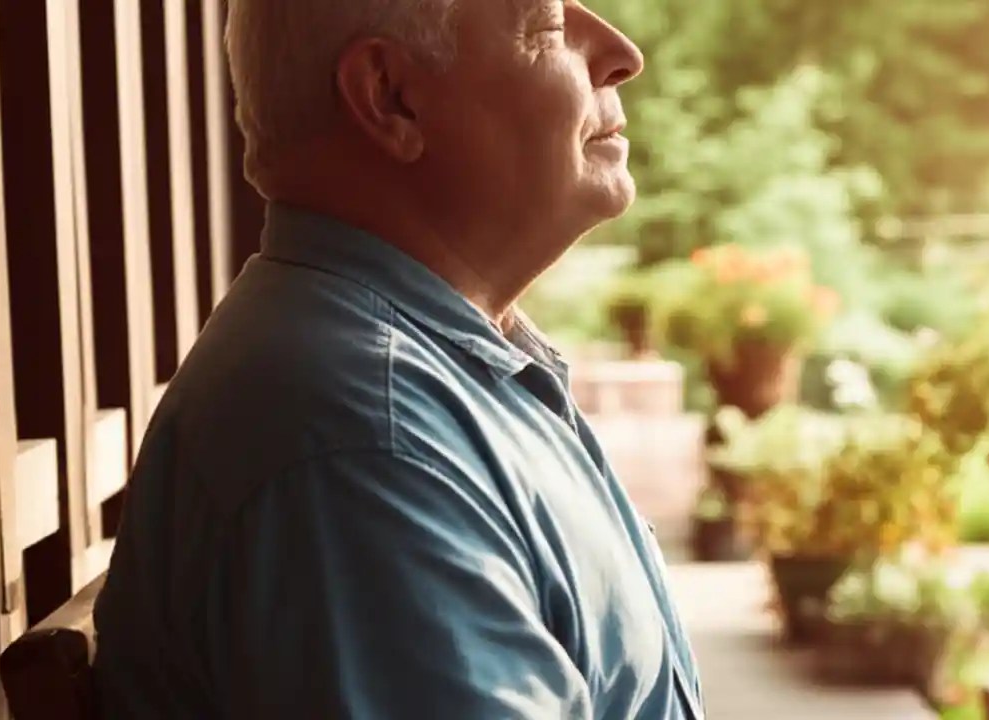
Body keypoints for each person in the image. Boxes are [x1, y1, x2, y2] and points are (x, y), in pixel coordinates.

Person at [93, 0, 704, 717]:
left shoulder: (421, 371)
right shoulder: (361, 443)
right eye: (545, 24)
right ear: (392, 97)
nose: (622, 51)